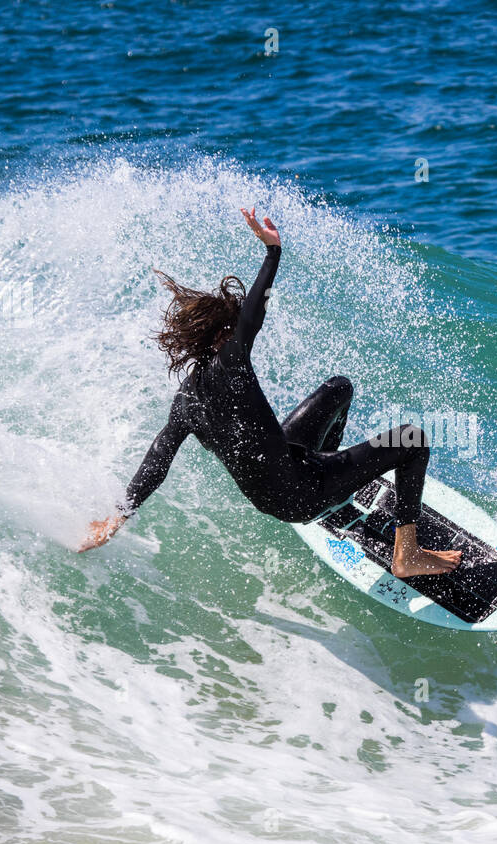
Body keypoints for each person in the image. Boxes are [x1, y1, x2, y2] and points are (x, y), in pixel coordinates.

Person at [78, 208, 462, 578]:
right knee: (413, 439)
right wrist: (273, 251)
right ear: (218, 340)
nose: (238, 336)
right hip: (303, 494)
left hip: (281, 484)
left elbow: (156, 462)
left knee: (337, 388)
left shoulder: (185, 402)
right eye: (231, 331)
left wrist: (118, 517)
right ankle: (406, 555)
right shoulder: (231, 363)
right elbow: (253, 314)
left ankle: (332, 471)